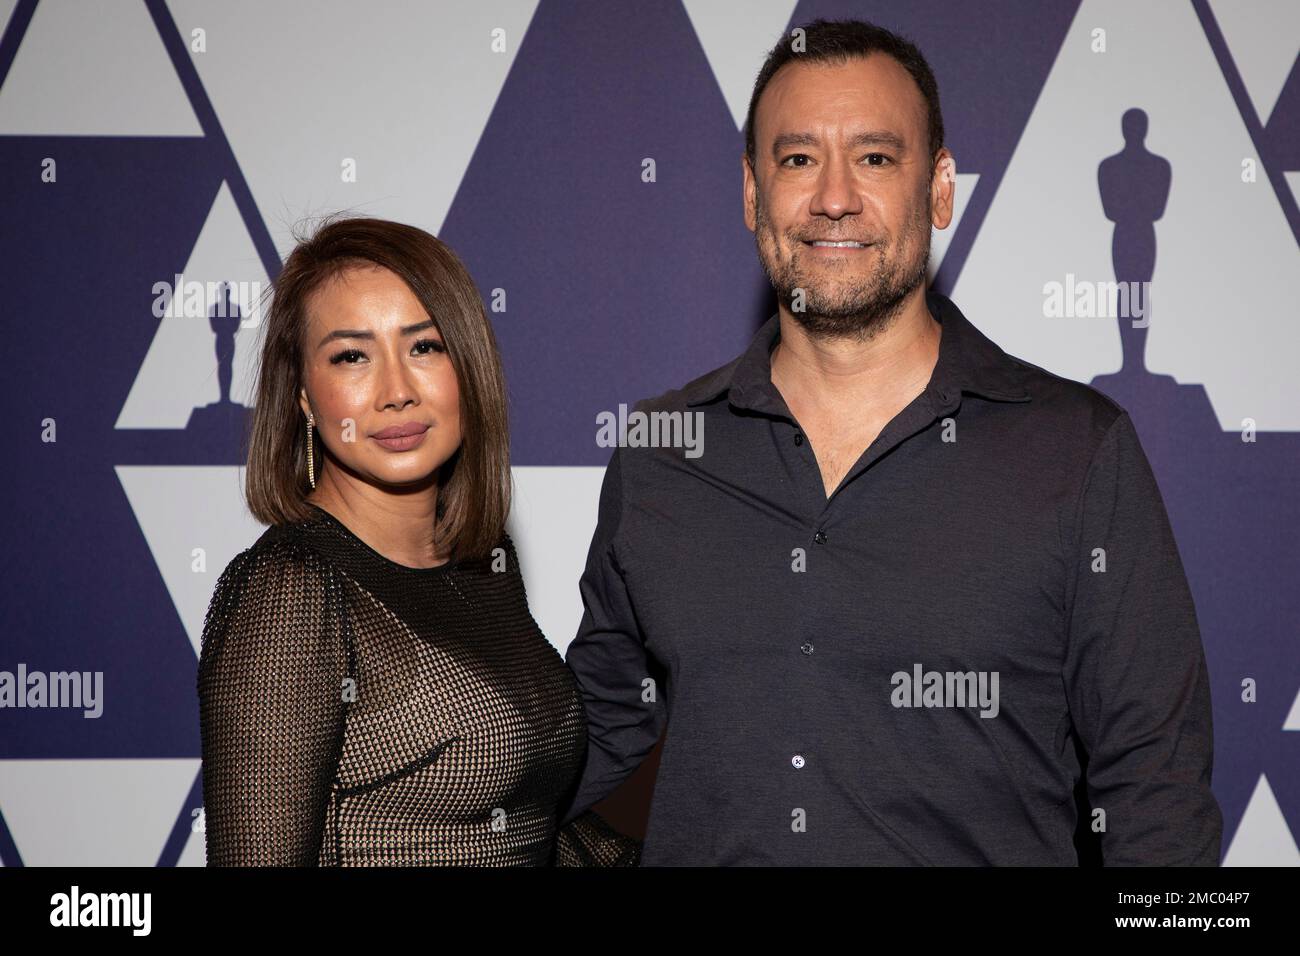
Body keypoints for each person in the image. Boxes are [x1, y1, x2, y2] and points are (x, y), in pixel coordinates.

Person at [558, 19, 1222, 865]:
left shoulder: (1076, 452)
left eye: (875, 157)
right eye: (797, 159)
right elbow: (580, 742)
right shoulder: (661, 454)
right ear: (752, 194)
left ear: (940, 189)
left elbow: (1156, 793)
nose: (834, 197)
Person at [197, 215, 638, 866]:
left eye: (424, 347)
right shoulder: (291, 589)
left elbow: (524, 824)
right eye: (352, 356)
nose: (397, 393)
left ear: (469, 363)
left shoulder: (481, 561)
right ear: (304, 399)